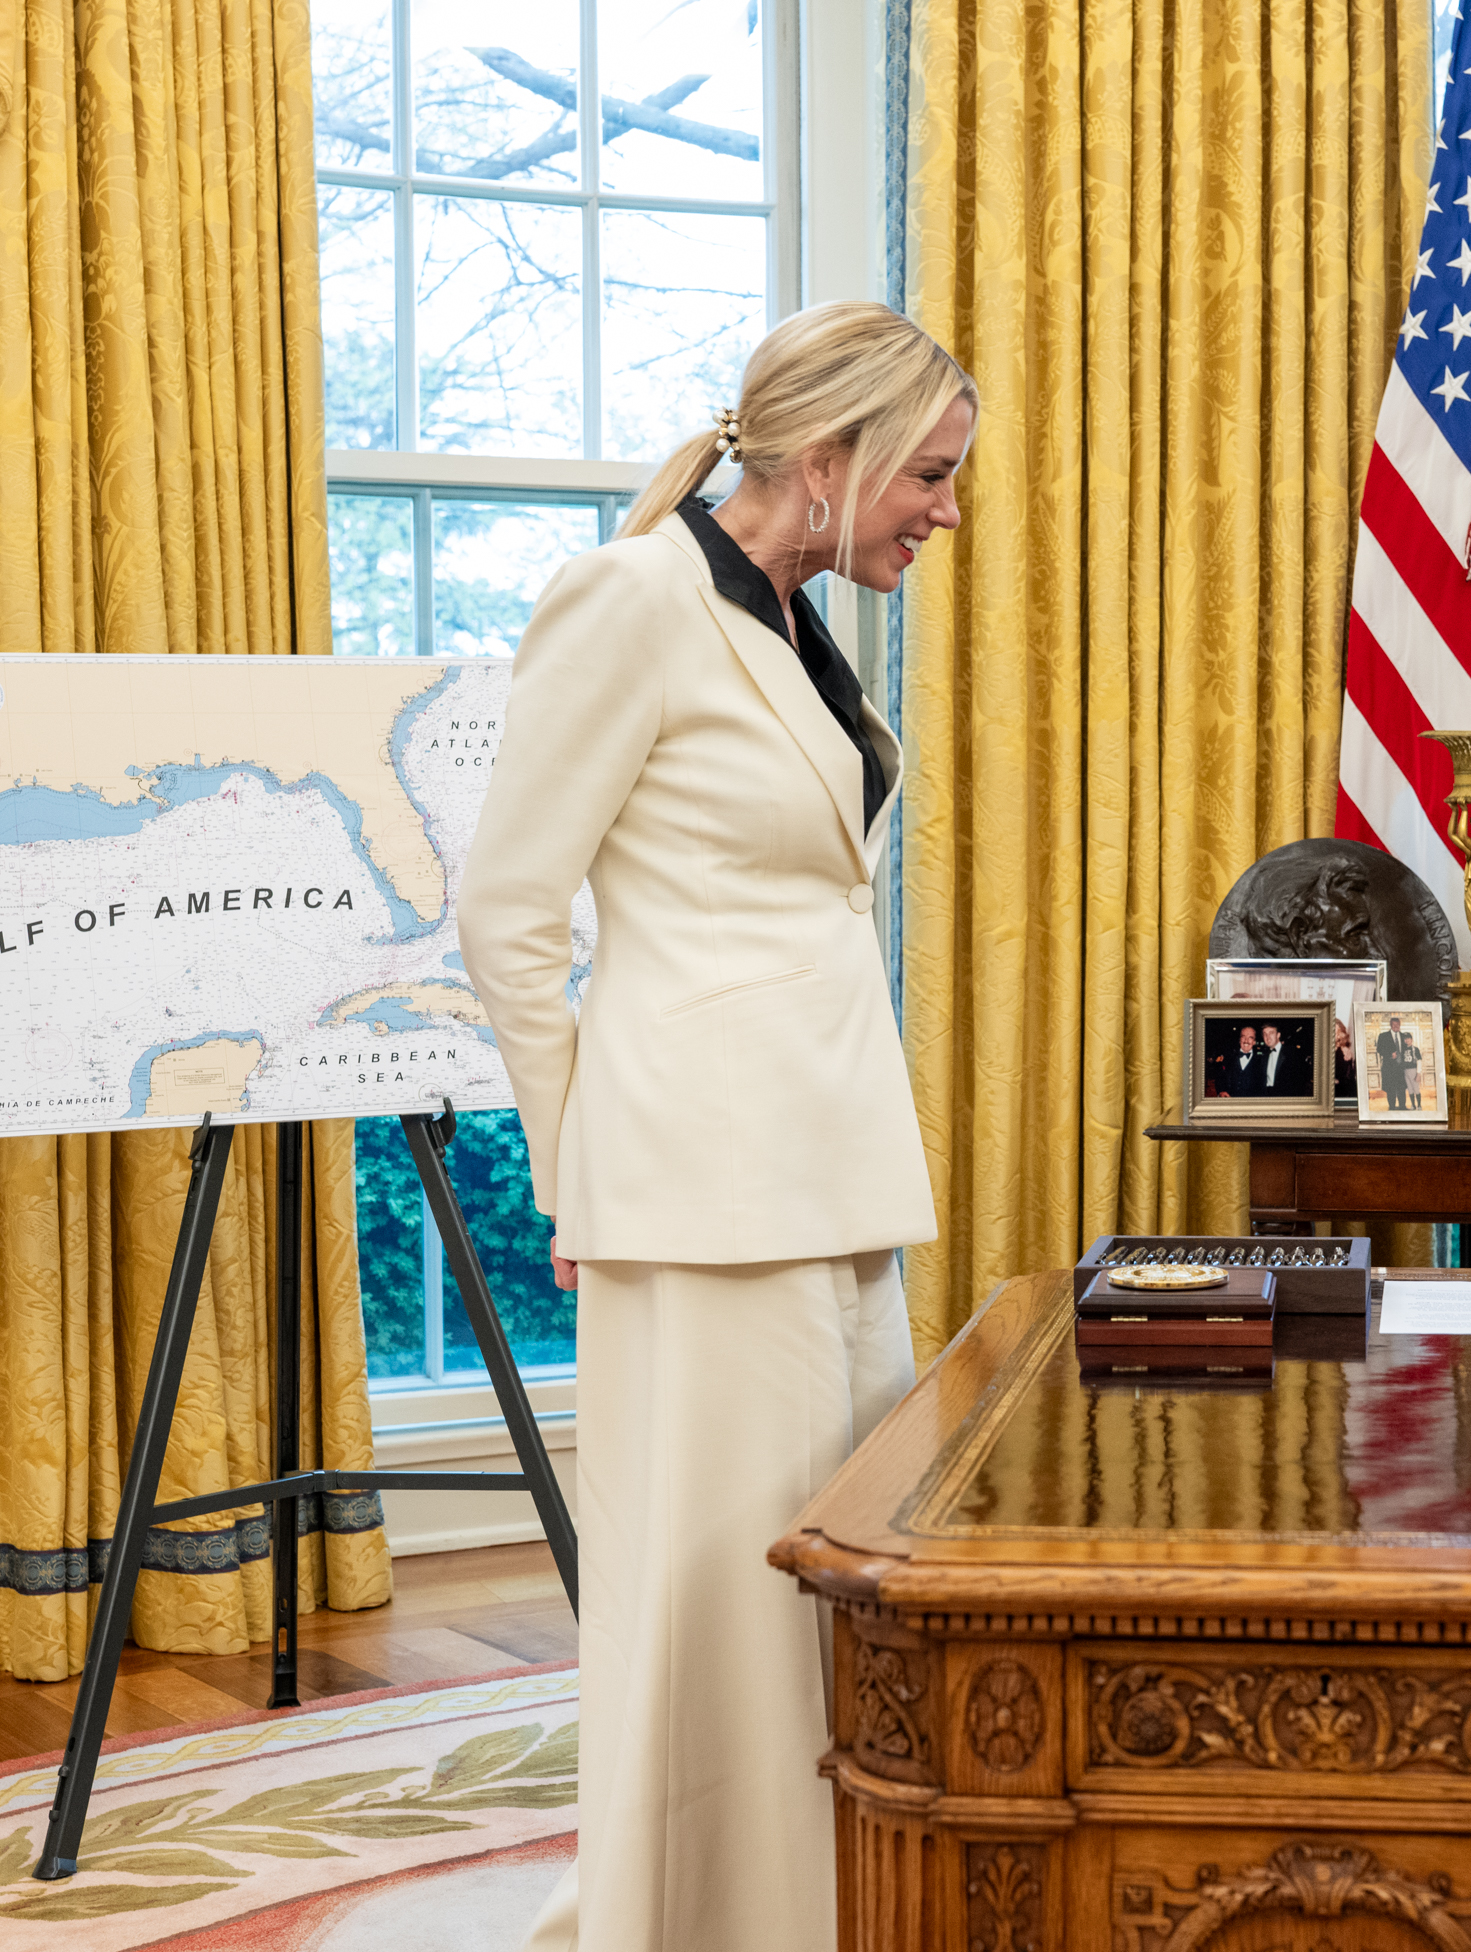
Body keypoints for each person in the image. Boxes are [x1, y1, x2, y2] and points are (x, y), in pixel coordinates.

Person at [458, 300, 975, 1952]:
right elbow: (509, 914)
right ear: (831, 460)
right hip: (696, 1187)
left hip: (828, 1169)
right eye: (932, 477)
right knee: (716, 1606)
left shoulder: (790, 618)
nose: (947, 513)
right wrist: (577, 1169)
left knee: (832, 1583)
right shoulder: (631, 602)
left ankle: (819, 1910)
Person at [1376, 1014, 1409, 1112]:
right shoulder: (1383, 1036)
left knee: (1401, 1088)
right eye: (1394, 1025)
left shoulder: (1404, 1036)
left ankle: (1402, 1107)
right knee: (1391, 1089)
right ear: (1390, 1025)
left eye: (1398, 1025)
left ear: (1400, 1025)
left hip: (1401, 1068)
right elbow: (1379, 1049)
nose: (1396, 1027)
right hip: (1389, 1067)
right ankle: (1392, 1108)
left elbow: (1407, 1051)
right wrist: (1390, 1054)